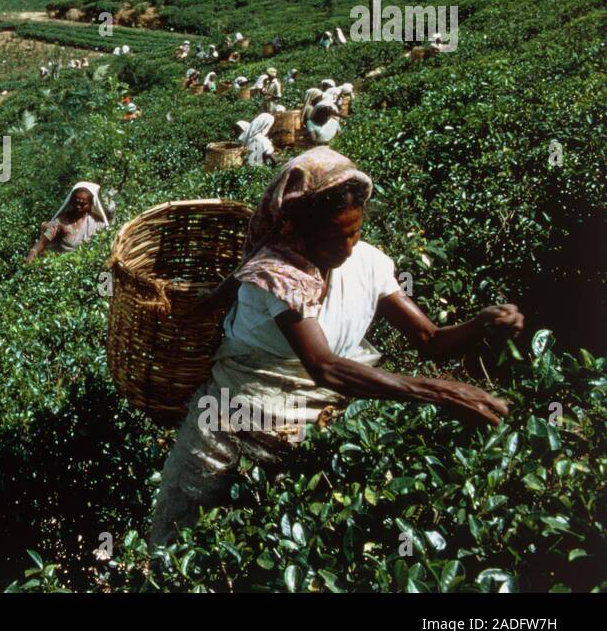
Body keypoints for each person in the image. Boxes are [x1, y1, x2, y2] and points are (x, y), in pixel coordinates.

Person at [149, 148, 521, 546]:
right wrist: (441, 391)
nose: (345, 248)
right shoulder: (276, 273)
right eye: (331, 237)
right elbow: (323, 367)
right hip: (239, 418)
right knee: (188, 532)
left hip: (323, 415)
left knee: (295, 536)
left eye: (354, 232)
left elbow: (429, 341)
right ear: (298, 231)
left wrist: (481, 324)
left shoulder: (368, 262)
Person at [26, 181, 110, 262]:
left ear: (91, 203)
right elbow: (44, 239)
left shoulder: (98, 223)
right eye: (76, 202)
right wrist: (32, 253)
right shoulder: (61, 221)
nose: (78, 207)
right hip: (64, 267)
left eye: (83, 204)